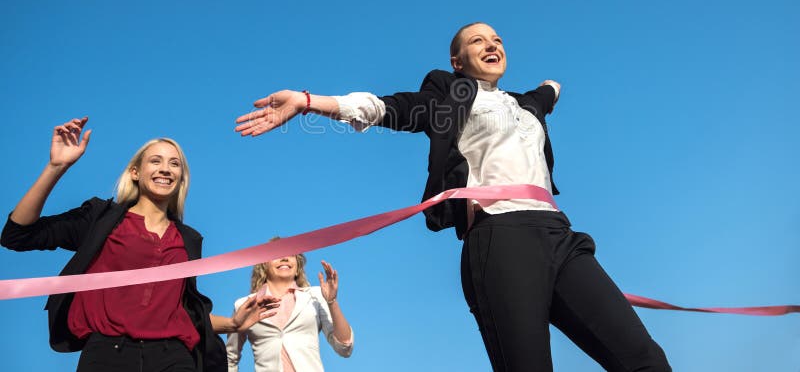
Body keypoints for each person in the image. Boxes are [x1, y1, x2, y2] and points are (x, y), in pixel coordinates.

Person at [234, 22, 671, 371]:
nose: (491, 43)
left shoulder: (525, 105)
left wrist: (551, 89)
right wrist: (309, 101)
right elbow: (389, 107)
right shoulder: (451, 96)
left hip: (559, 235)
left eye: (497, 38)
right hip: (500, 237)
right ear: (457, 61)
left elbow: (545, 95)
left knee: (645, 360)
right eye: (477, 40)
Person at [1, 117, 278, 372]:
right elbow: (17, 235)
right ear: (135, 172)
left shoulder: (188, 239)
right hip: (107, 353)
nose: (165, 169)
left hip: (175, 357)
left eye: (174, 163)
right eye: (155, 161)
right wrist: (56, 167)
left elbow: (181, 312)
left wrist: (232, 324)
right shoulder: (101, 218)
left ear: (181, 177)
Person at [226, 243, 353, 372]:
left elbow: (345, 348)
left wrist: (332, 301)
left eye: (290, 254)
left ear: (297, 266)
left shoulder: (315, 296)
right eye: (276, 254)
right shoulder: (244, 305)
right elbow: (230, 359)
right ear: (264, 265)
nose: (284, 258)